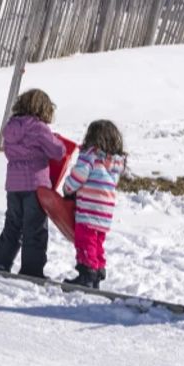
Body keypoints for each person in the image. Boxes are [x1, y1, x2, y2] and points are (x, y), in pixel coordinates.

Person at [0, 89, 66, 277]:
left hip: (14, 186)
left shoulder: (10, 127)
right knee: (34, 229)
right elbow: (58, 152)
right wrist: (55, 140)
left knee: (13, 226)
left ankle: (0, 262)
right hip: (35, 187)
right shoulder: (39, 128)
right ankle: (31, 270)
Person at [60, 120, 126, 289]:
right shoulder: (115, 162)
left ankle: (87, 274)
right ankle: (98, 270)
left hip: (89, 208)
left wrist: (68, 188)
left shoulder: (90, 155)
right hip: (105, 211)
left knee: (84, 240)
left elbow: (79, 175)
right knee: (96, 242)